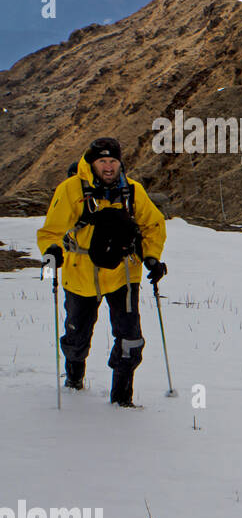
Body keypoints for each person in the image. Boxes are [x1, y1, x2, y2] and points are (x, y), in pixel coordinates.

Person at [37, 137, 168, 407]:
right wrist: (51, 251)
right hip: (80, 273)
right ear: (91, 162)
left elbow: (153, 225)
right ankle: (74, 378)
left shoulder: (133, 191)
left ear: (120, 163)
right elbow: (51, 230)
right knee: (76, 335)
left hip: (124, 274)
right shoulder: (71, 189)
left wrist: (152, 257)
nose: (108, 167)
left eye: (113, 161)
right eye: (102, 161)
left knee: (130, 338)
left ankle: (122, 399)